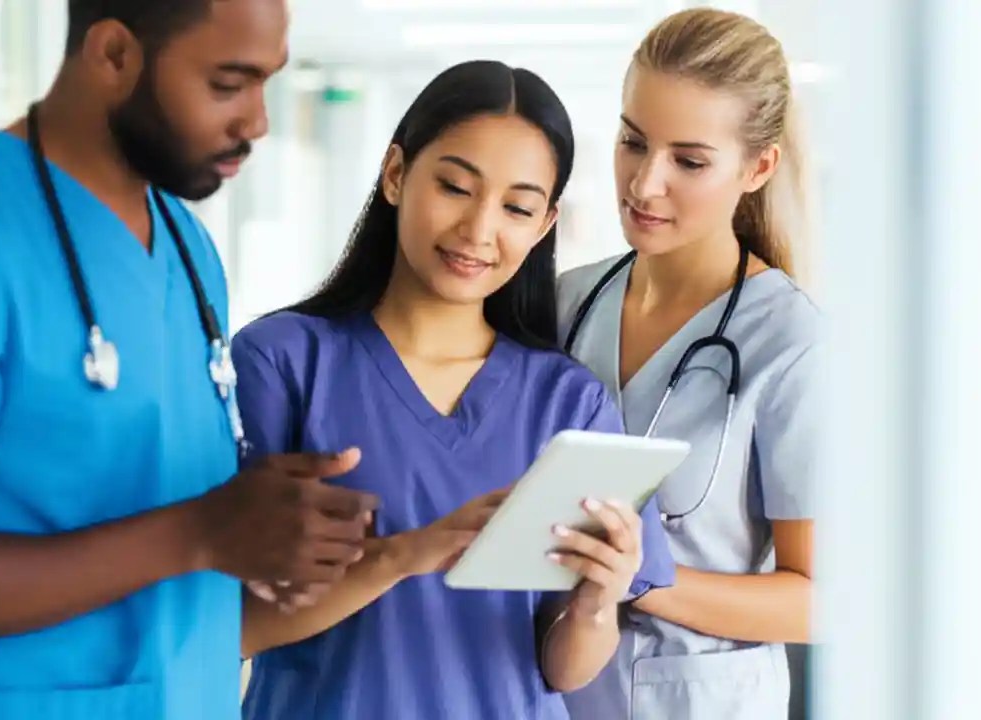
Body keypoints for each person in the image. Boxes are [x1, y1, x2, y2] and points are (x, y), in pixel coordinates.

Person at [0, 2, 377, 719]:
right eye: (227, 83)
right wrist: (203, 532)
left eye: (267, 82)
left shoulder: (187, 246)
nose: (258, 121)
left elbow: (158, 511)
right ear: (114, 53)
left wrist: (271, 531)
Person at [231, 60, 676, 720]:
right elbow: (228, 627)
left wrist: (595, 602)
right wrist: (404, 555)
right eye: (455, 187)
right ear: (395, 174)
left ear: (544, 225)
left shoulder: (567, 401)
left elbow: (562, 668)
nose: (478, 230)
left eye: (517, 208)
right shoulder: (282, 363)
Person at [558, 8, 820, 719]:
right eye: (632, 142)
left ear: (757, 167)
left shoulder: (791, 341)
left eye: (690, 161)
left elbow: (818, 599)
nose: (645, 184)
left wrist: (643, 578)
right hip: (554, 692)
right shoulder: (567, 304)